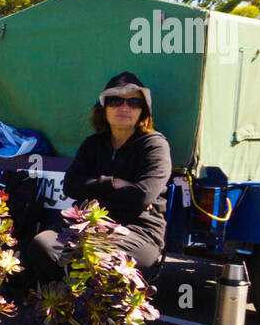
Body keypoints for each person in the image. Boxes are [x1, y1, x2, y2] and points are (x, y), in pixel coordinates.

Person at [24, 70, 172, 290]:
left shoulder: (154, 146)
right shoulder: (93, 144)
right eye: (115, 101)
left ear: (143, 111)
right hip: (87, 224)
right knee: (41, 245)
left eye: (133, 102)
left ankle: (101, 319)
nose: (124, 107)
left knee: (95, 257)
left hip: (139, 230)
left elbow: (141, 197)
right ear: (104, 109)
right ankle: (65, 310)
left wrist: (94, 191)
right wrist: (112, 183)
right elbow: (71, 185)